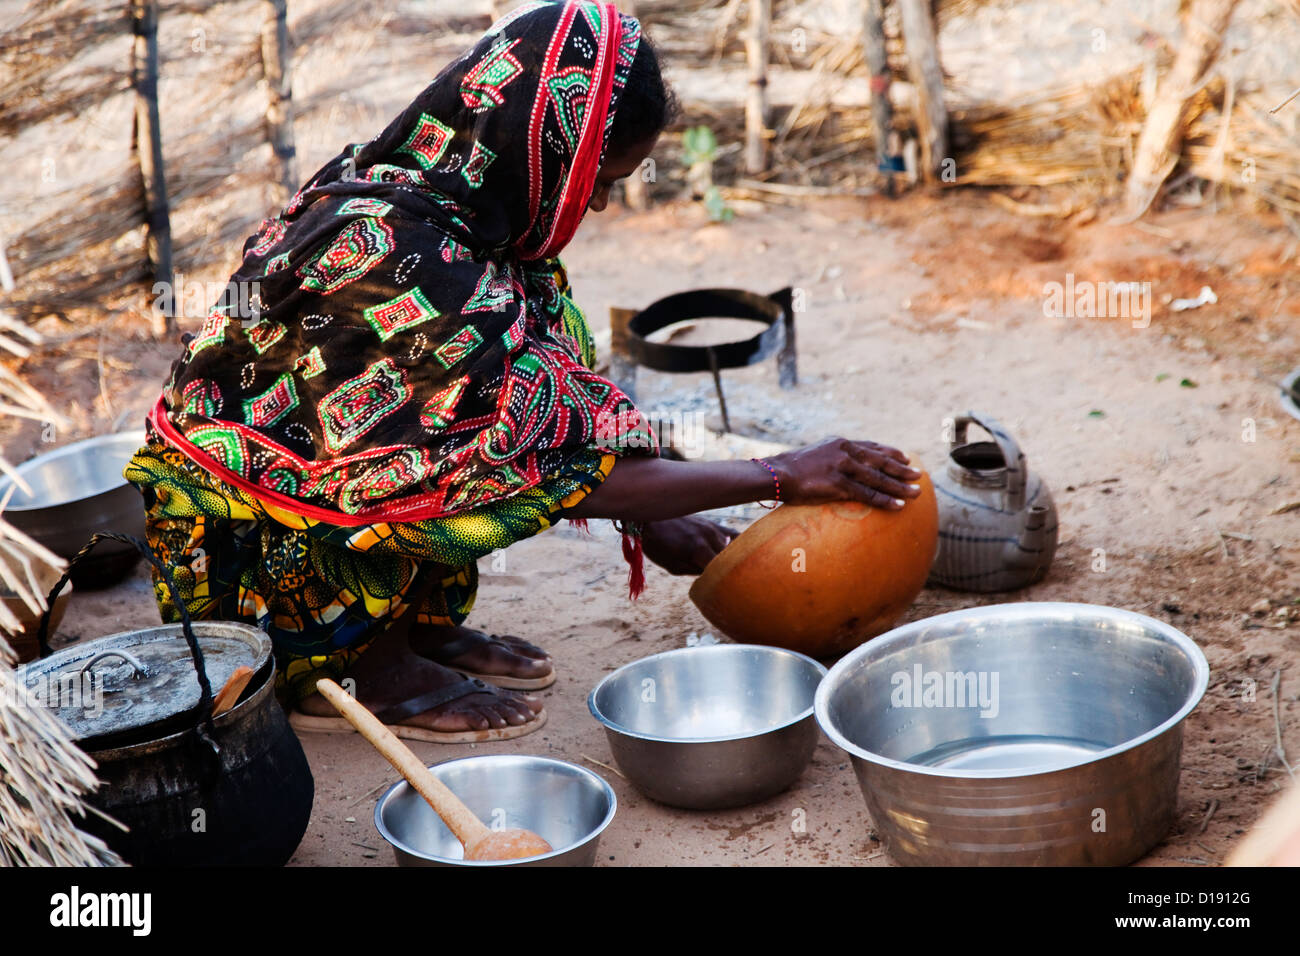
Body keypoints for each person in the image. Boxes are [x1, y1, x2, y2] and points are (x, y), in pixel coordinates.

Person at [125, 0, 923, 742]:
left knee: (509, 371)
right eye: (602, 182)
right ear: (544, 153)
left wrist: (653, 505)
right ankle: (358, 667)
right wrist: (780, 474)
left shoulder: (456, 206)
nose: (601, 206)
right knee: (444, 459)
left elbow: (560, 405)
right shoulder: (403, 257)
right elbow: (528, 456)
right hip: (248, 559)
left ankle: (418, 626)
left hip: (301, 502)